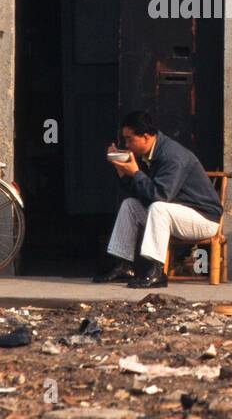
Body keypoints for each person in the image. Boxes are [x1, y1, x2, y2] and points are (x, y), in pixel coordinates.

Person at [92, 110, 224, 288]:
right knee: (130, 205)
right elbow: (142, 193)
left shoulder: (172, 156)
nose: (127, 144)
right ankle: (123, 265)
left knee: (158, 207)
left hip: (204, 220)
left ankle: (155, 272)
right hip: (176, 214)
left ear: (146, 137)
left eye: (130, 139)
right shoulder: (151, 154)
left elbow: (160, 195)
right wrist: (123, 173)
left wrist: (136, 173)